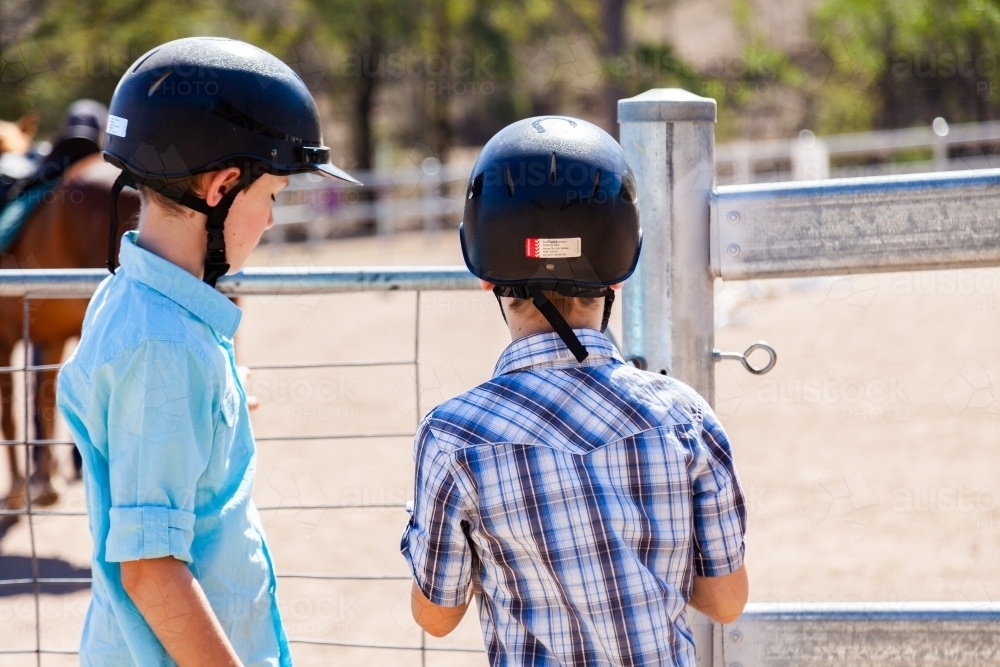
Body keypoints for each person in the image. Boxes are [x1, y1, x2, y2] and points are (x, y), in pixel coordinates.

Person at [400, 116, 747, 666]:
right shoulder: (685, 417)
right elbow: (726, 601)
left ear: (486, 274)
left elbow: (436, 617)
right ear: (617, 276)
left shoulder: (454, 436)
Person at [57, 37, 358, 666]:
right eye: (271, 195)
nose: (272, 221)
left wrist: (213, 400)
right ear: (223, 185)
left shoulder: (139, 302)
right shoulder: (164, 345)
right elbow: (150, 568)